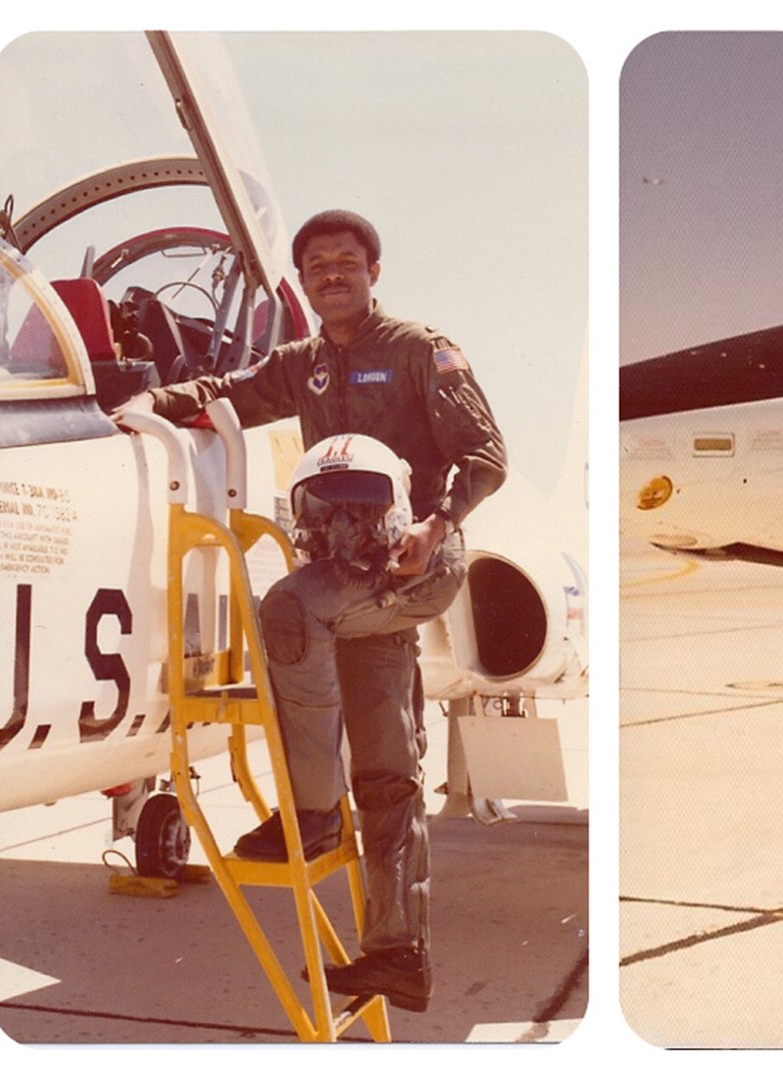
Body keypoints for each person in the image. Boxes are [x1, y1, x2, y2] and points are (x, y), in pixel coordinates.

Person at [111, 210, 506, 1013]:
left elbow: (488, 456)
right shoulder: (304, 364)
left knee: (288, 609)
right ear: (302, 281)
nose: (333, 273)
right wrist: (150, 396)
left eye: (347, 261)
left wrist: (434, 528)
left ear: (374, 271)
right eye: (318, 263)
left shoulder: (420, 351)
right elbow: (227, 391)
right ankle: (399, 956)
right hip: (349, 579)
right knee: (391, 776)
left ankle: (316, 815)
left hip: (415, 563)